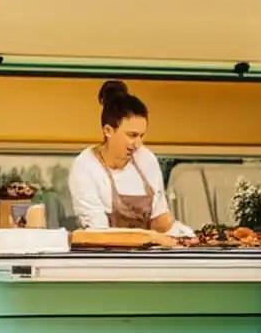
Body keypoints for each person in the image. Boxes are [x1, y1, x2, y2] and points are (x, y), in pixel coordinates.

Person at [68, 80, 192, 235]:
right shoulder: (85, 166)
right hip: (105, 256)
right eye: (132, 135)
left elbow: (159, 217)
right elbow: (98, 233)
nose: (138, 144)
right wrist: (149, 238)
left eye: (141, 136)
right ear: (108, 130)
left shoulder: (146, 158)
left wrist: (184, 235)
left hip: (149, 255)